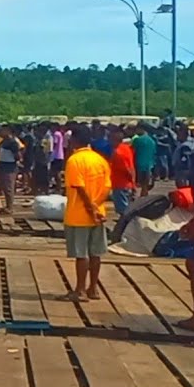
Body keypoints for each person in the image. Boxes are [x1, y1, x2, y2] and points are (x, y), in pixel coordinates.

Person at [62, 124, 112, 302]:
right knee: (95, 253)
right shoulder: (100, 160)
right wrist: (97, 207)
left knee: (81, 254)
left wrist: (90, 209)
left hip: (79, 215)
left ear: (74, 140)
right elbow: (107, 188)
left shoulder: (74, 161)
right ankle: (93, 289)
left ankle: (80, 290)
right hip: (99, 214)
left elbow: (79, 187)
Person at [0, 124, 21, 214]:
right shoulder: (3, 141)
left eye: (3, 130)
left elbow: (17, 155)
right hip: (2, 164)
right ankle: (7, 206)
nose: (0, 131)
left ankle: (10, 207)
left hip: (9, 165)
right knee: (5, 186)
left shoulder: (12, 142)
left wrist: (16, 161)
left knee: (9, 187)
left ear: (8, 131)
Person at [108, 127, 136, 217]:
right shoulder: (126, 148)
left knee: (123, 210)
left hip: (120, 184)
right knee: (126, 207)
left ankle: (125, 226)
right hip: (125, 184)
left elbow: (127, 169)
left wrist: (132, 181)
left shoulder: (118, 153)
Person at [133, 124, 158, 196]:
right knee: (145, 184)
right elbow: (154, 153)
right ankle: (144, 196)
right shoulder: (152, 141)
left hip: (139, 164)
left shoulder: (137, 140)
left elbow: (133, 151)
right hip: (150, 164)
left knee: (140, 183)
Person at [49, 123, 67, 189]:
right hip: (59, 155)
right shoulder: (60, 134)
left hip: (56, 155)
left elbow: (54, 143)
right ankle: (58, 187)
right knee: (56, 172)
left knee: (56, 173)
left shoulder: (56, 134)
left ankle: (58, 187)